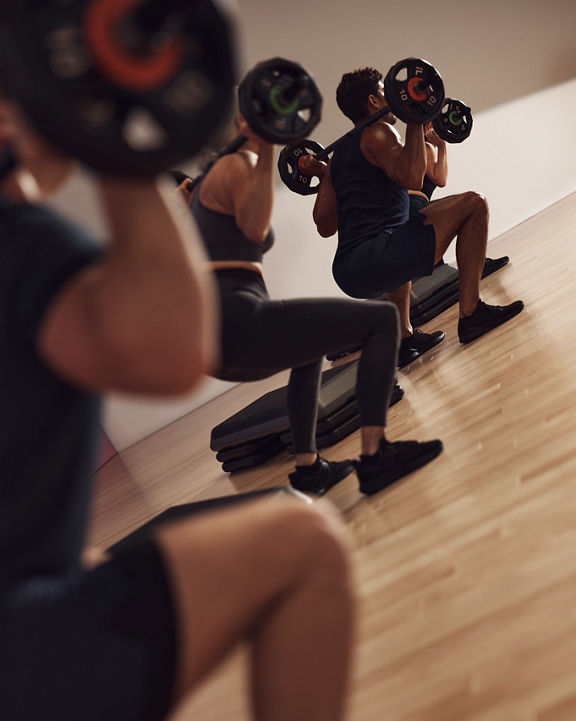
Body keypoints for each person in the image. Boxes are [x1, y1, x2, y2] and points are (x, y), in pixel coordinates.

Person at [0, 85, 358, 720]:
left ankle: (309, 458)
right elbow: (173, 354)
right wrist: (121, 147)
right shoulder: (21, 239)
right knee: (306, 543)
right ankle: (344, 456)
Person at [180, 107, 443, 498]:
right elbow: (255, 228)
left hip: (214, 343)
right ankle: (376, 456)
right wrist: (268, 148)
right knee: (382, 320)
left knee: (309, 347)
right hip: (240, 320)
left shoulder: (199, 190)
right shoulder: (236, 166)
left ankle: (308, 469)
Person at [307, 67, 524, 345]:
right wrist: (413, 118)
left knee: (401, 236)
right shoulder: (379, 132)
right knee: (474, 203)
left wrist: (323, 176)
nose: (392, 96)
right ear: (374, 101)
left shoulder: (337, 159)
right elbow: (412, 177)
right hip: (378, 258)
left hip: (348, 273)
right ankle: (472, 314)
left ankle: (403, 336)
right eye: (386, 91)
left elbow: (324, 227)